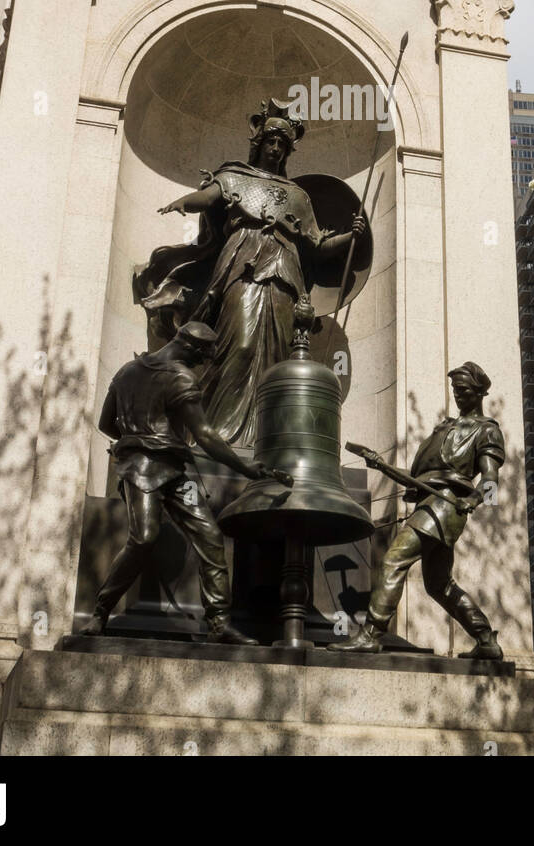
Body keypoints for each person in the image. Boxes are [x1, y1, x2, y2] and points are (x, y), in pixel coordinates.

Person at [135, 98, 365, 446]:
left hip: (285, 278)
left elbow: (316, 245)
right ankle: (219, 435)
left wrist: (351, 237)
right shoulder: (235, 176)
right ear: (259, 143)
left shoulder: (298, 196)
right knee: (239, 345)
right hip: (242, 268)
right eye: (271, 141)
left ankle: (265, 440)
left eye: (282, 145)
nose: (275, 148)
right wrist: (184, 201)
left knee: (276, 356)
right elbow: (210, 196)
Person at [81, 320, 289, 643]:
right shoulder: (180, 377)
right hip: (142, 470)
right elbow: (205, 435)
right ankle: (100, 612)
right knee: (144, 537)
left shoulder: (125, 371)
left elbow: (107, 424)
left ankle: (219, 624)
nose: (202, 364)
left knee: (209, 535)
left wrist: (132, 439)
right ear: (190, 349)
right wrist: (246, 469)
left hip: (174, 472)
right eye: (203, 357)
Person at [329, 362, 505, 660]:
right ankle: (485, 638)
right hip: (429, 505)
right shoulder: (445, 427)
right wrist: (380, 464)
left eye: (463, 391)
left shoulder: (486, 431)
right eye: (455, 391)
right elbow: (419, 479)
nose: (458, 396)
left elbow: (490, 481)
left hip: (443, 508)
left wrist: (473, 500)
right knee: (439, 585)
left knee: (392, 561)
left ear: (479, 393)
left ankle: (371, 634)